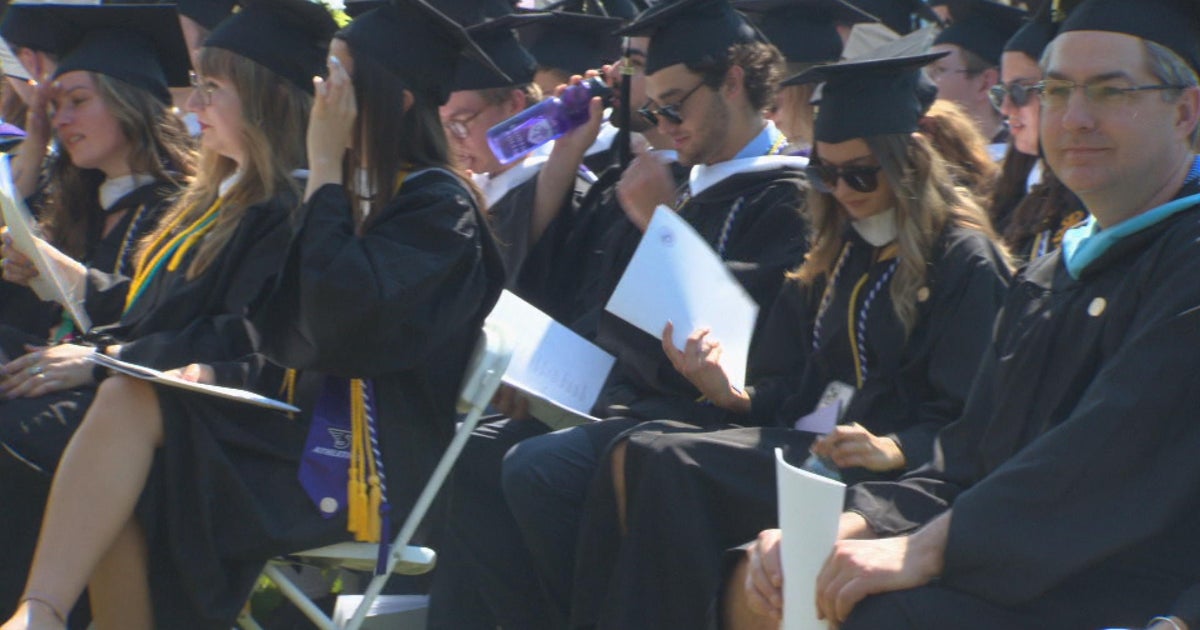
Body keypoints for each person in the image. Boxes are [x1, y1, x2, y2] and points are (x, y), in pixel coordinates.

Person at [732, 0, 1200, 628]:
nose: (1076, 117)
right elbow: (966, 459)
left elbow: (1111, 448)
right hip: (1016, 565)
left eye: (1112, 92)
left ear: (1186, 110)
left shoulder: (1186, 260)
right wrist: (841, 527)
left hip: (1129, 590)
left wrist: (924, 548)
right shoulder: (1052, 272)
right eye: (1056, 90)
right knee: (763, 580)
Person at [571, 50, 1011, 630]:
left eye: (860, 173)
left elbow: (975, 422)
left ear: (910, 162)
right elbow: (794, 389)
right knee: (641, 448)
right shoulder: (843, 247)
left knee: (670, 460)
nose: (843, 191)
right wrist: (733, 395)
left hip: (894, 481)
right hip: (815, 447)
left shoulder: (963, 262)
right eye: (826, 174)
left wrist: (896, 447)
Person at [427, 0, 809, 626]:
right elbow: (578, 296)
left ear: (734, 81)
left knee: (539, 469)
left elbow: (741, 339)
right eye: (653, 107)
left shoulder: (790, 195)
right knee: (474, 451)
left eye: (675, 104)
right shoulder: (674, 177)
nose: (663, 122)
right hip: (627, 402)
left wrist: (667, 222)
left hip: (713, 421)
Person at [0, 0, 333, 626]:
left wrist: (101, 359)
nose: (194, 107)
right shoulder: (218, 203)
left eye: (212, 90)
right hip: (135, 393)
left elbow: (243, 335)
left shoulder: (294, 210)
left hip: (209, 422)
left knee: (17, 432)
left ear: (265, 102)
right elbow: (143, 307)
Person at [0, 5, 195, 618]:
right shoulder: (80, 204)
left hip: (127, 406)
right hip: (53, 384)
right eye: (55, 107)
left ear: (128, 101)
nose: (61, 119)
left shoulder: (181, 210)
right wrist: (32, 156)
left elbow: (159, 320)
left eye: (77, 101)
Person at [989, 0, 1087, 260]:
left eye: (1020, 91)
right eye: (1002, 93)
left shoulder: (1092, 198)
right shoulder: (1011, 188)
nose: (1006, 109)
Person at [926, 0, 1026, 159]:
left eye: (939, 70)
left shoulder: (1016, 170)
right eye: (926, 71)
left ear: (985, 83)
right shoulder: (927, 161)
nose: (926, 83)